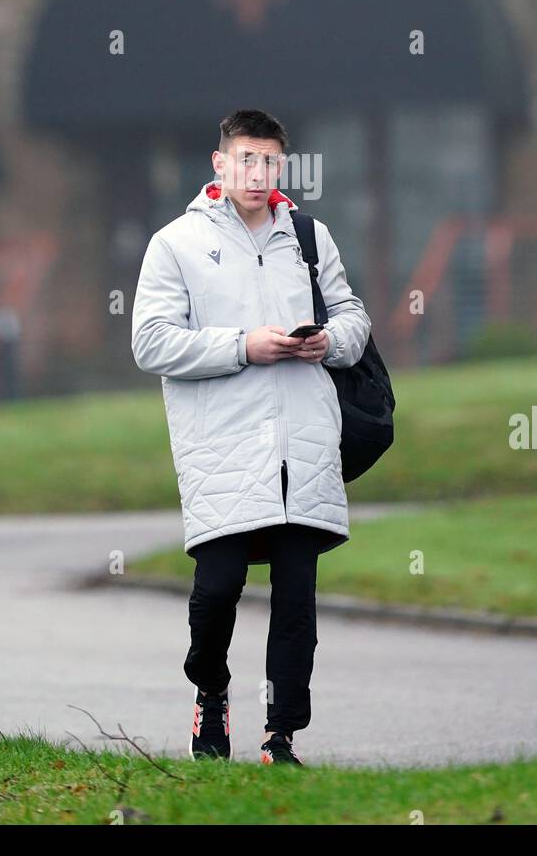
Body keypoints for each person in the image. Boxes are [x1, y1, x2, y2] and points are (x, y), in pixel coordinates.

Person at [131, 108, 371, 765]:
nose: (257, 173)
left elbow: (354, 320)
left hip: (304, 443)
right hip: (223, 447)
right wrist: (243, 347)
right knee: (218, 590)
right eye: (245, 159)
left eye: (268, 161)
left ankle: (281, 736)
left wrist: (329, 343)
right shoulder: (174, 243)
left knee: (296, 599)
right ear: (220, 164)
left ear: (281, 166)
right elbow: (150, 342)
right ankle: (211, 693)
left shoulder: (310, 238)